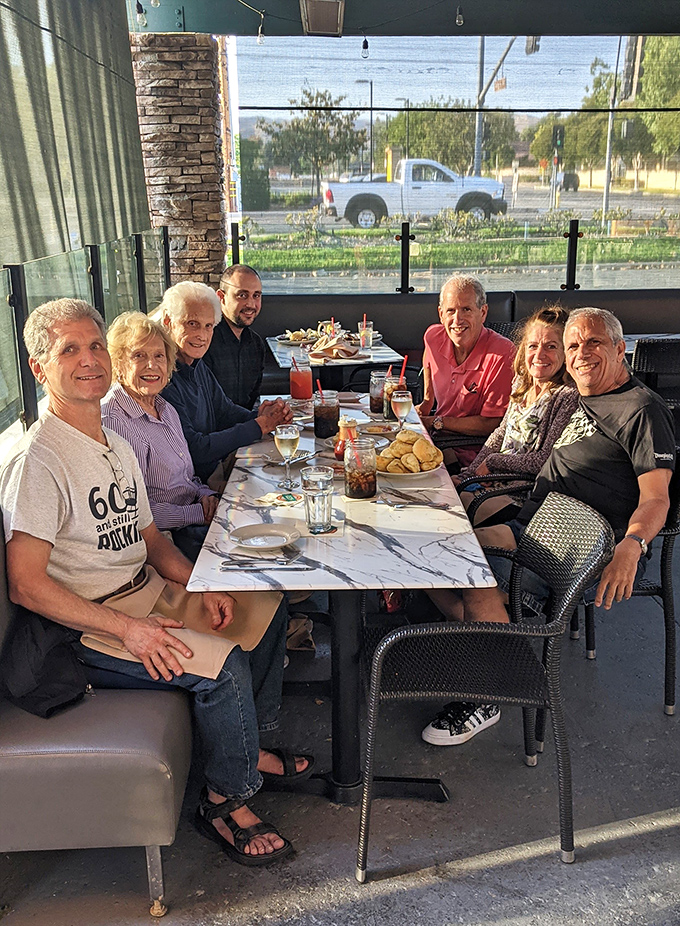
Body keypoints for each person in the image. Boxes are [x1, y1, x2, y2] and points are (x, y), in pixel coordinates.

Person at [0, 298, 313, 866]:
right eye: (69, 350)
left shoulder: (114, 445)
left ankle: (247, 744)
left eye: (95, 345)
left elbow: (153, 540)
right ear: (39, 368)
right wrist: (130, 630)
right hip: (84, 623)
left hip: (144, 588)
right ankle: (224, 801)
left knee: (264, 608)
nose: (89, 359)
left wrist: (203, 585)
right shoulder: (38, 461)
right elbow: (25, 586)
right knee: (222, 667)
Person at [422, 307, 675, 747]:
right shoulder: (584, 396)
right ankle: (495, 644)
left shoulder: (641, 410)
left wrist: (632, 544)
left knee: (474, 574)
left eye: (593, 343)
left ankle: (488, 694)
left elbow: (657, 498)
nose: (581, 354)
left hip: (578, 548)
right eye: (573, 345)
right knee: (431, 554)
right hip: (535, 525)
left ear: (620, 349)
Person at [102, 311, 218, 562]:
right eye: (139, 356)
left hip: (194, 519)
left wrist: (204, 494)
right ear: (118, 363)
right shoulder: (114, 422)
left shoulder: (165, 408)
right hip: (165, 541)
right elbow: (134, 512)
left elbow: (186, 478)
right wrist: (199, 513)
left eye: (159, 356)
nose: (152, 365)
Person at [453, 305, 579, 527]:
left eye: (551, 346)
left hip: (524, 492)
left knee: (457, 511)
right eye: (533, 346)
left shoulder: (567, 396)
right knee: (446, 494)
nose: (539, 355)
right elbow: (501, 433)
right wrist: (470, 474)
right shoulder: (522, 382)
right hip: (494, 480)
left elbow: (544, 460)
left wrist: (493, 463)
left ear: (566, 352)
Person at [159, 281, 292, 484]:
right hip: (195, 486)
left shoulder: (196, 364)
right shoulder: (162, 379)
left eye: (208, 326)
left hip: (215, 470)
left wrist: (264, 416)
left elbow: (225, 411)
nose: (202, 336)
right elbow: (195, 449)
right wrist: (259, 426)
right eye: (192, 324)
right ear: (168, 322)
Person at [416, 274, 515, 470]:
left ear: (483, 312)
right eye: (450, 311)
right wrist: (427, 401)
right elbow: (428, 359)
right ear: (441, 314)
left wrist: (437, 422)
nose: (457, 319)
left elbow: (491, 423)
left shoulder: (503, 353)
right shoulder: (433, 336)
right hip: (437, 440)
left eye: (466, 310)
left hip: (473, 455)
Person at [203, 264, 265, 410]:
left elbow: (252, 399)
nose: (251, 304)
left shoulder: (256, 344)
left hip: (246, 421)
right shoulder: (205, 341)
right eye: (242, 295)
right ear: (221, 297)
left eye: (256, 295)